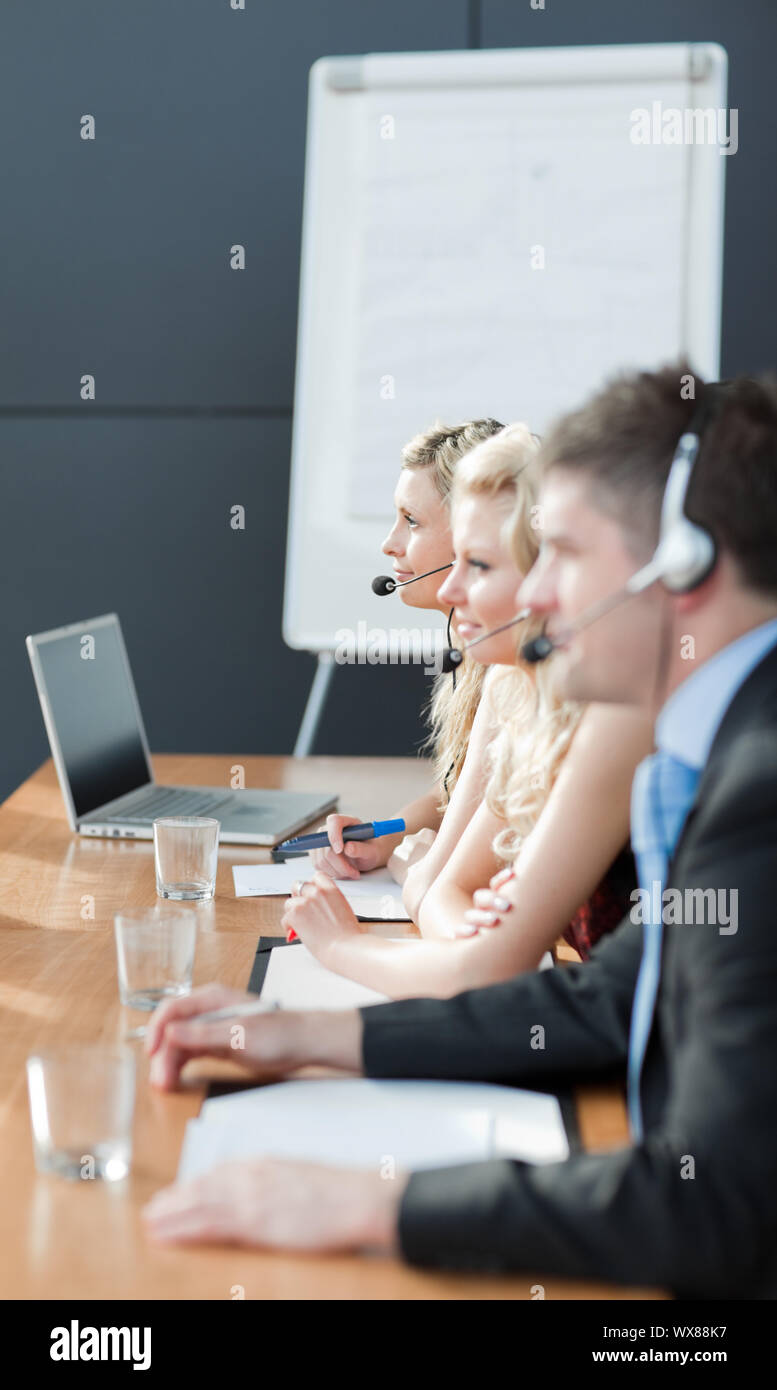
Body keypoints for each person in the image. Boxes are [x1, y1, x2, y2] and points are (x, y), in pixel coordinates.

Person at [143, 365, 777, 1299]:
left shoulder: (756, 788)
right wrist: (293, 1036)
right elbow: (603, 1000)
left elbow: (714, 1207)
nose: (541, 596)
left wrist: (375, 1207)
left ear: (681, 562)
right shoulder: (726, 750)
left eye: (560, 550)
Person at [283, 426, 649, 995]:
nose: (453, 589)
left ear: (544, 573)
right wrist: (405, 850)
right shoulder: (524, 694)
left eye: (476, 563)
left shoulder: (612, 720)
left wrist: (347, 939)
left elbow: (482, 956)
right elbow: (467, 920)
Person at [309, 419, 504, 885]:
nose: (389, 543)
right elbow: (456, 798)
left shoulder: (510, 667)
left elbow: (451, 875)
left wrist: (412, 863)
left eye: (411, 521)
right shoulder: (471, 649)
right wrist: (387, 836)